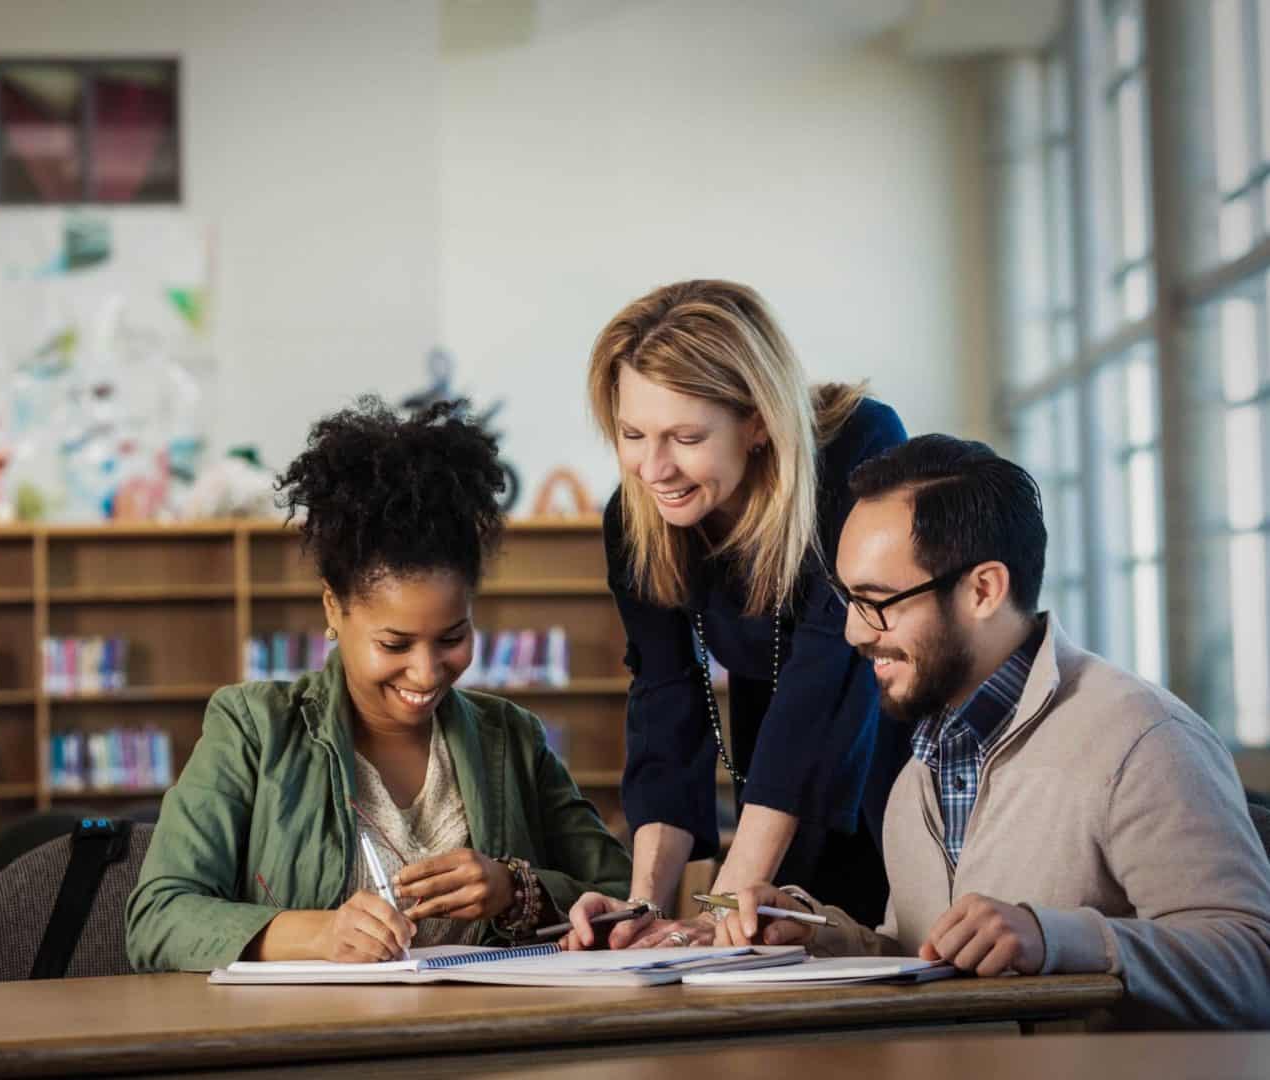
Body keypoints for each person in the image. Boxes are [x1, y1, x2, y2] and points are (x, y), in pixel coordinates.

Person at [723, 435, 1270, 1030]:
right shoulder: (917, 771)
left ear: (983, 589)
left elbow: (1250, 965)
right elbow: (930, 960)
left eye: (877, 602)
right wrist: (817, 936)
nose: (854, 632)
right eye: (847, 600)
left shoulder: (1145, 740)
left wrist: (1051, 937)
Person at [126, 398, 631, 971]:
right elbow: (158, 918)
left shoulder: (511, 739)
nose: (426, 672)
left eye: (452, 637)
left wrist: (516, 892)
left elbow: (626, 899)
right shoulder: (253, 730)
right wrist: (317, 935)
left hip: (486, 1043)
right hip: (316, 1048)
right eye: (394, 645)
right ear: (333, 609)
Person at [566, 280, 909, 950]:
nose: (652, 467)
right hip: (773, 756)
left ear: (757, 422)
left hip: (891, 742)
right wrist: (644, 907)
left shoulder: (859, 447)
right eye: (632, 434)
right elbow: (666, 701)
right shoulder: (634, 515)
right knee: (760, 948)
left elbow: (826, 674)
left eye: (685, 437)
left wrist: (725, 904)